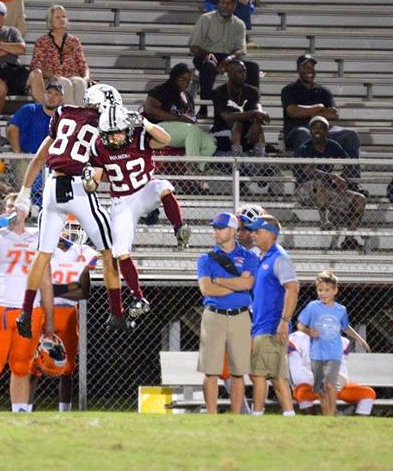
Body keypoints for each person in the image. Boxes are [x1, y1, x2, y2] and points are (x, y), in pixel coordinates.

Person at [13, 84, 123, 333]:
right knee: (108, 250)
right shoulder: (104, 124)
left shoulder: (63, 112)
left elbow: (39, 157)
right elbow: (103, 168)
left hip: (52, 187)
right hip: (78, 188)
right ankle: (116, 312)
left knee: (43, 254)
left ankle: (25, 312)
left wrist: (25, 192)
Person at [85, 104, 191, 315]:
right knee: (120, 252)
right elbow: (94, 182)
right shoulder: (98, 147)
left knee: (164, 187)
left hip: (144, 190)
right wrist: (89, 182)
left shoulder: (140, 135)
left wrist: (146, 123)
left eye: (120, 132)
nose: (116, 138)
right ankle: (138, 297)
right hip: (122, 201)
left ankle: (179, 228)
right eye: (111, 135)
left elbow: (166, 139)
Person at [0, 194, 54, 413]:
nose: (14, 210)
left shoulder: (38, 237)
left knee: (22, 365)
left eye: (18, 207)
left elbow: (46, 282)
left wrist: (50, 322)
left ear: (27, 211)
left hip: (30, 309)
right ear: (4, 209)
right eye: (10, 206)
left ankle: (20, 412)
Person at [29, 215, 97, 412]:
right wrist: (68, 287)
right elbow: (41, 285)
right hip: (43, 310)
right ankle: (24, 407)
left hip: (68, 312)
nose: (75, 232)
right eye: (71, 227)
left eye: (77, 227)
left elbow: (83, 291)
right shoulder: (44, 250)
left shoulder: (82, 252)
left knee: (66, 367)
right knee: (34, 365)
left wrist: (52, 289)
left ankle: (64, 411)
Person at [196, 212, 258, 414]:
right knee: (211, 371)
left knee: (239, 371)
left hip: (240, 315)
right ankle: (212, 415)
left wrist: (220, 281)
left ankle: (236, 415)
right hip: (214, 314)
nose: (216, 231)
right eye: (214, 228)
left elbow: (248, 283)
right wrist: (237, 285)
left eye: (220, 228)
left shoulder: (249, 256)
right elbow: (206, 289)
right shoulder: (205, 258)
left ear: (232, 231)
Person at [296, 271, 370, 416]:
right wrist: (309, 331)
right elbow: (300, 325)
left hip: (334, 353)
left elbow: (345, 327)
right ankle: (326, 416)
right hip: (316, 353)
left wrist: (359, 339)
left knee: (330, 385)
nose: (323, 293)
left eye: (327, 290)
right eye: (320, 290)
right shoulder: (312, 307)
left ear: (335, 290)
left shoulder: (340, 310)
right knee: (321, 389)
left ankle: (330, 415)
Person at [246, 215, 298, 416]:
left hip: (271, 326)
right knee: (274, 375)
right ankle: (287, 414)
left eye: (257, 231)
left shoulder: (279, 257)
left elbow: (292, 288)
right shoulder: (264, 257)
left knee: (261, 375)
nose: (253, 235)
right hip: (262, 325)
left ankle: (257, 415)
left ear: (270, 233)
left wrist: (284, 321)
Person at [294, 115, 365, 250]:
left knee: (359, 199)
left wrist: (343, 177)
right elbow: (309, 171)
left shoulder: (332, 145)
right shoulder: (304, 148)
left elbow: (349, 164)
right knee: (322, 183)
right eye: (314, 128)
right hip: (305, 191)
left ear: (327, 131)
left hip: (327, 191)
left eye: (322, 128)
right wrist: (333, 176)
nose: (318, 131)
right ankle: (324, 221)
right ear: (310, 131)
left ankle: (349, 238)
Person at [281, 54, 360, 169]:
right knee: (306, 133)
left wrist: (304, 111)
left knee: (350, 135)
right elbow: (292, 112)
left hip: (323, 131)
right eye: (305, 67)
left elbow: (333, 113)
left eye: (312, 67)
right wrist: (318, 107)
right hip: (297, 131)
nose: (310, 70)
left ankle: (352, 179)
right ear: (298, 69)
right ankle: (305, 178)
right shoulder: (289, 89)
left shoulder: (323, 91)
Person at [189, 0, 259, 103]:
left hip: (229, 57)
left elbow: (240, 50)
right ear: (218, 4)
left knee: (252, 67)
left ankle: (253, 104)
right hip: (205, 55)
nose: (225, 6)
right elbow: (194, 46)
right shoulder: (206, 19)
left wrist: (227, 60)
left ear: (234, 5)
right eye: (222, 3)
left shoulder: (239, 24)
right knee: (209, 66)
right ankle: (204, 106)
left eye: (228, 3)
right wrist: (208, 54)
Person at [143, 62, 216, 172]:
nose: (186, 83)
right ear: (174, 77)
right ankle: (191, 167)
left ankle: (198, 170)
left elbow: (190, 116)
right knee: (192, 130)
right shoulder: (161, 90)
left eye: (188, 80)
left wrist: (190, 120)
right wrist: (178, 118)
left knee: (211, 142)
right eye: (182, 79)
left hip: (183, 130)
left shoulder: (187, 96)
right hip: (161, 128)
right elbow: (149, 109)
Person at [288, 331, 376, 416]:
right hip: (310, 387)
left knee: (368, 393)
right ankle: (313, 424)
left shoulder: (341, 342)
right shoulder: (297, 339)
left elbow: (342, 374)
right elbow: (297, 378)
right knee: (302, 393)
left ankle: (356, 426)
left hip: (334, 388)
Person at [7, 81, 64, 207]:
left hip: (50, 161)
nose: (52, 97)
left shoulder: (63, 118)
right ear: (44, 94)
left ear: (61, 99)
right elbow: (12, 128)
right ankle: (33, 207)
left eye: (56, 94)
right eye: (49, 93)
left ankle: (40, 208)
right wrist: (19, 154)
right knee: (30, 174)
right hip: (26, 157)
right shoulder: (29, 110)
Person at [28, 5, 91, 106]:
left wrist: (86, 78)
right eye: (57, 17)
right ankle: (69, 117)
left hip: (73, 77)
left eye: (64, 17)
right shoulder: (42, 41)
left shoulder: (74, 41)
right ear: (50, 21)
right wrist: (51, 75)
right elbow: (36, 66)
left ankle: (80, 116)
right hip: (52, 79)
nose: (61, 20)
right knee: (65, 84)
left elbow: (83, 65)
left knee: (79, 82)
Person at [211, 60, 268, 157]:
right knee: (238, 123)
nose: (243, 74)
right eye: (239, 72)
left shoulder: (252, 91)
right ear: (229, 74)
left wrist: (257, 122)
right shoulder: (219, 92)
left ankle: (260, 162)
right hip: (222, 131)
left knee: (258, 128)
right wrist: (254, 112)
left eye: (245, 71)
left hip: (245, 133)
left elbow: (259, 110)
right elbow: (227, 117)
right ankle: (236, 162)